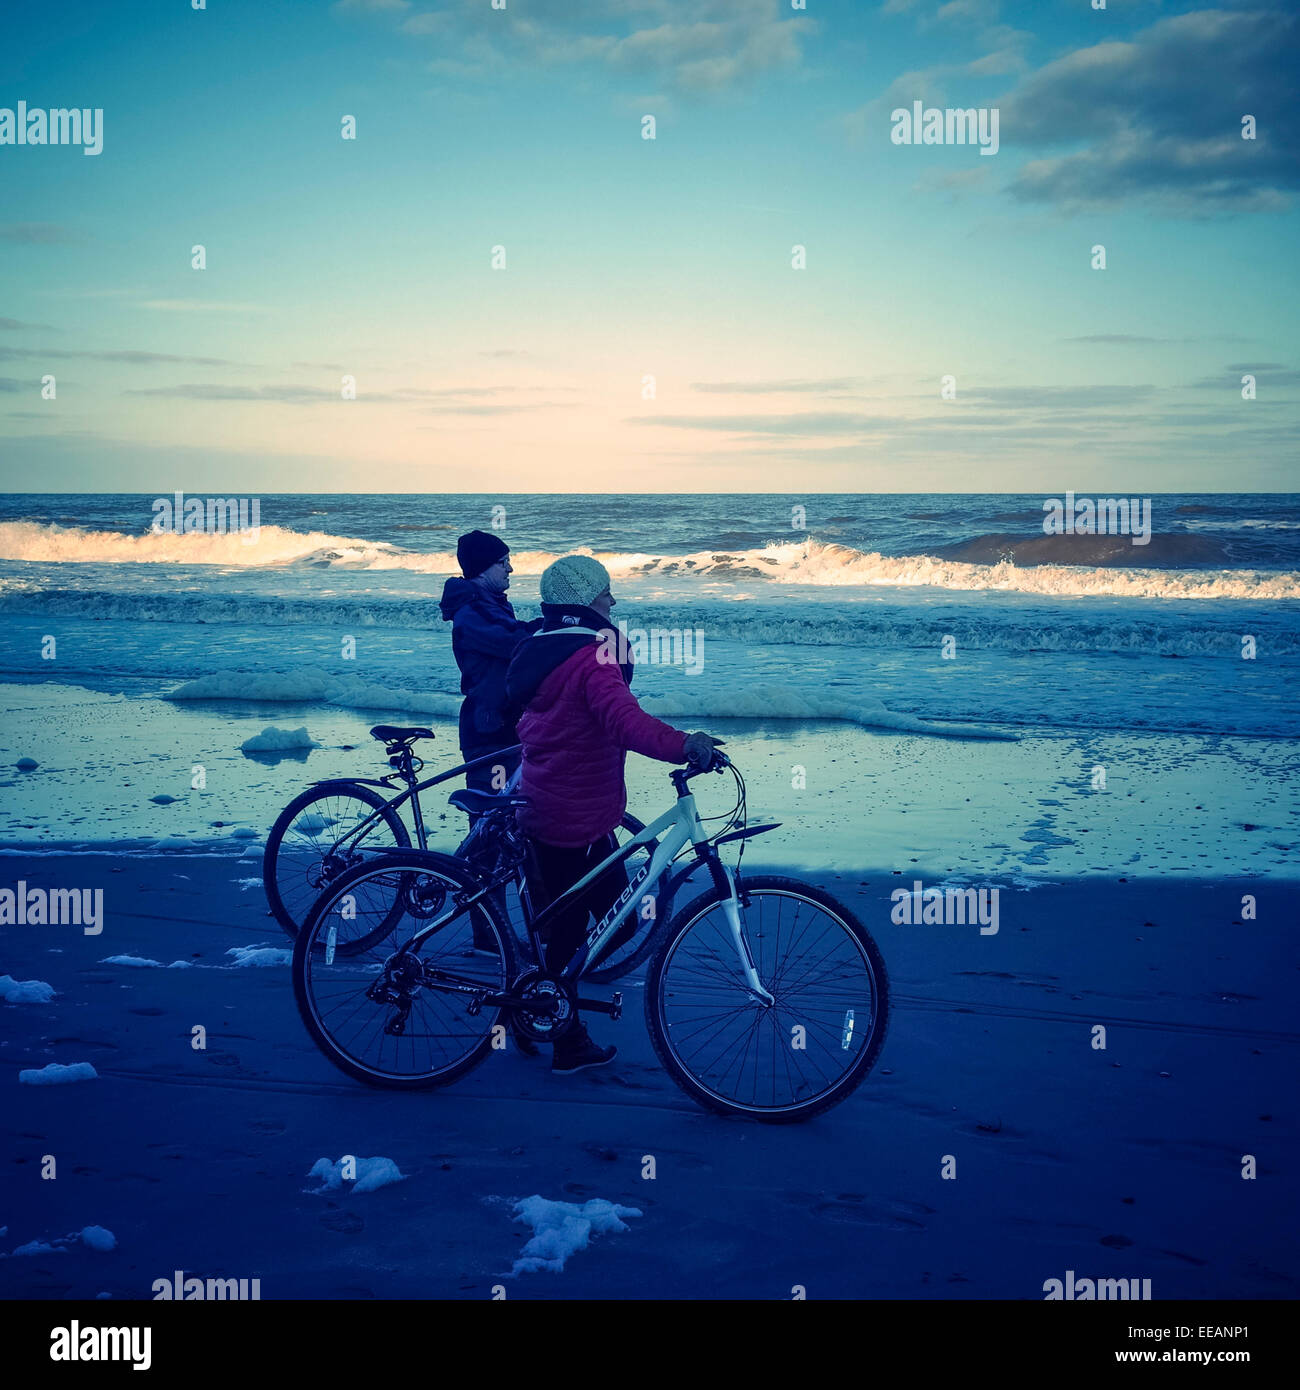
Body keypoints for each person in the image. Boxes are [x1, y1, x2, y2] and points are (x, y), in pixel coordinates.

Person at [505, 554, 721, 1074]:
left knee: (587, 926)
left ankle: (538, 1003)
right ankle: (562, 1031)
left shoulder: (539, 650)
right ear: (585, 602)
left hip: (553, 805)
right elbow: (625, 721)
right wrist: (685, 744)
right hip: (572, 817)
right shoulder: (594, 659)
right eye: (606, 595)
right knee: (591, 929)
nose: (614, 603)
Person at [438, 529, 542, 799]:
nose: (511, 568)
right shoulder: (472, 612)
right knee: (492, 815)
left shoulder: (491, 604)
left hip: (505, 723)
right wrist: (555, 625)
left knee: (514, 810)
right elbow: (516, 640)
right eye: (503, 561)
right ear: (483, 569)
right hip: (489, 729)